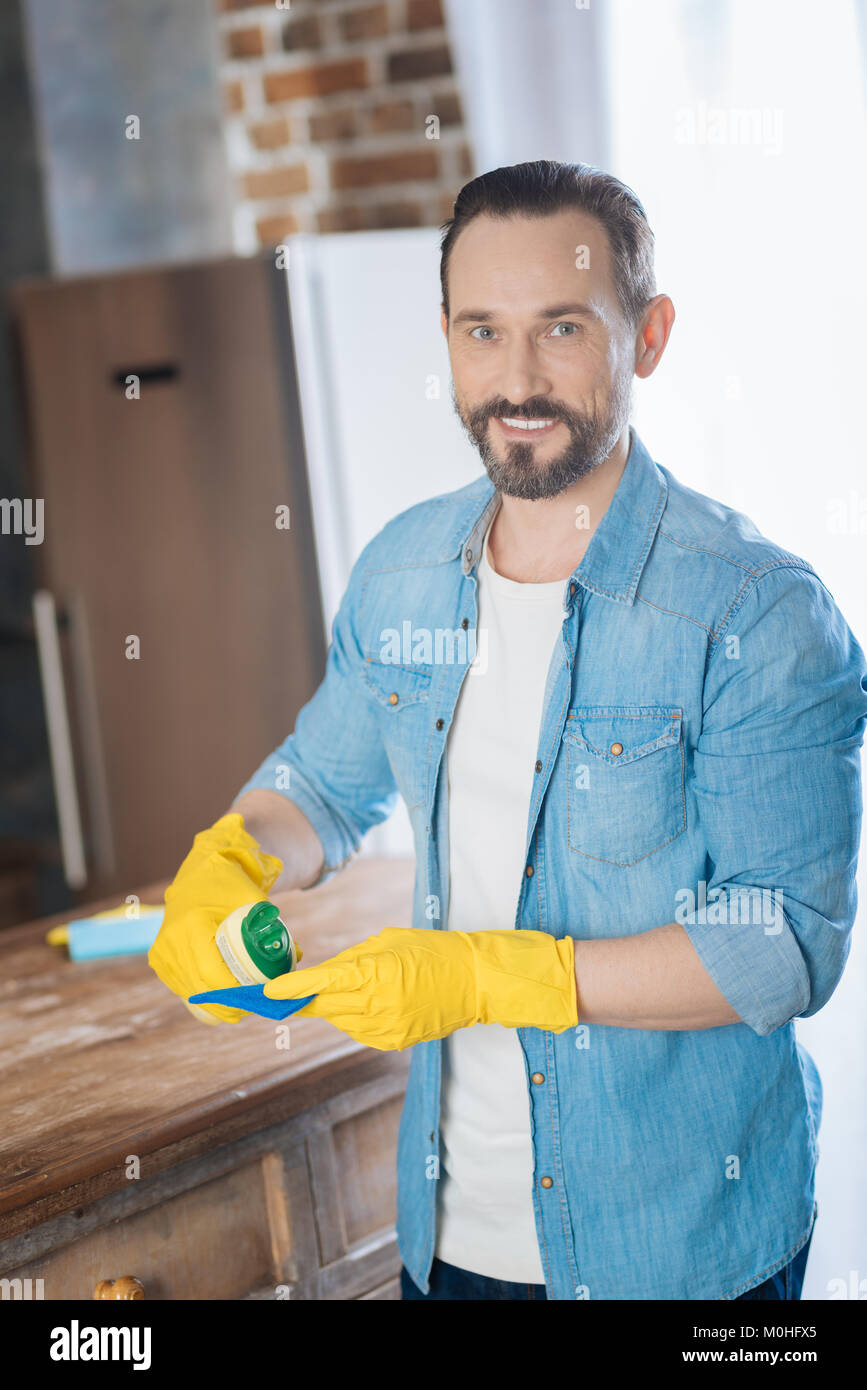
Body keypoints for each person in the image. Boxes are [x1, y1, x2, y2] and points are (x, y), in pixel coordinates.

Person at [149, 161, 867, 1301]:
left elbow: (783, 943)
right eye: (483, 331)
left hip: (678, 1254)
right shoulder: (402, 573)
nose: (517, 380)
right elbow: (322, 788)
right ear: (446, 334)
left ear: (648, 334)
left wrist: (493, 976)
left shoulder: (757, 613)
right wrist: (232, 852)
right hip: (450, 1240)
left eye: (562, 328)